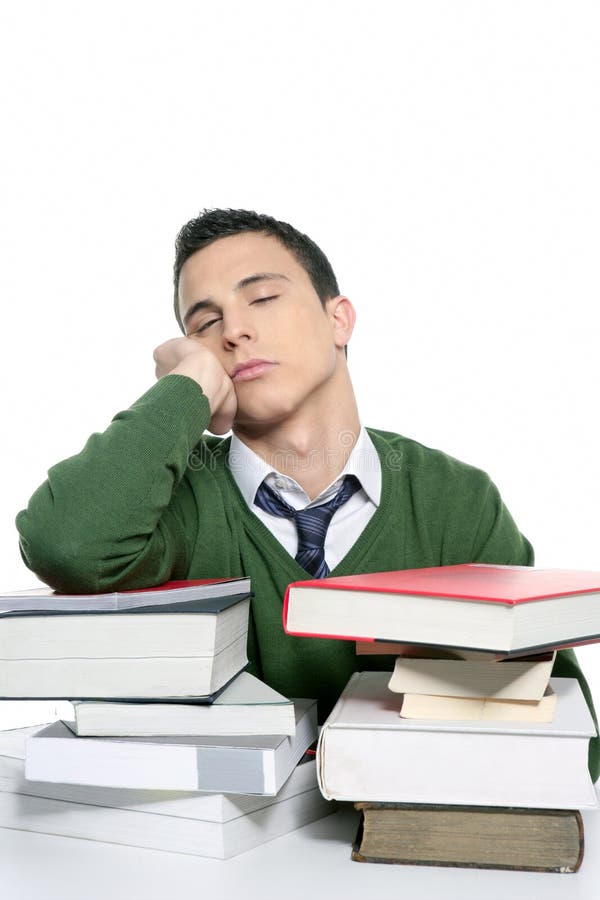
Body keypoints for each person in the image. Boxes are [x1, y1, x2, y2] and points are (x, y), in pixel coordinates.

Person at [16, 207, 599, 779]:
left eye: (262, 298)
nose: (234, 331)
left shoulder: (456, 500)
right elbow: (66, 544)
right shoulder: (177, 501)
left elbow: (570, 741)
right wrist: (187, 386)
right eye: (205, 324)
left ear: (339, 321)